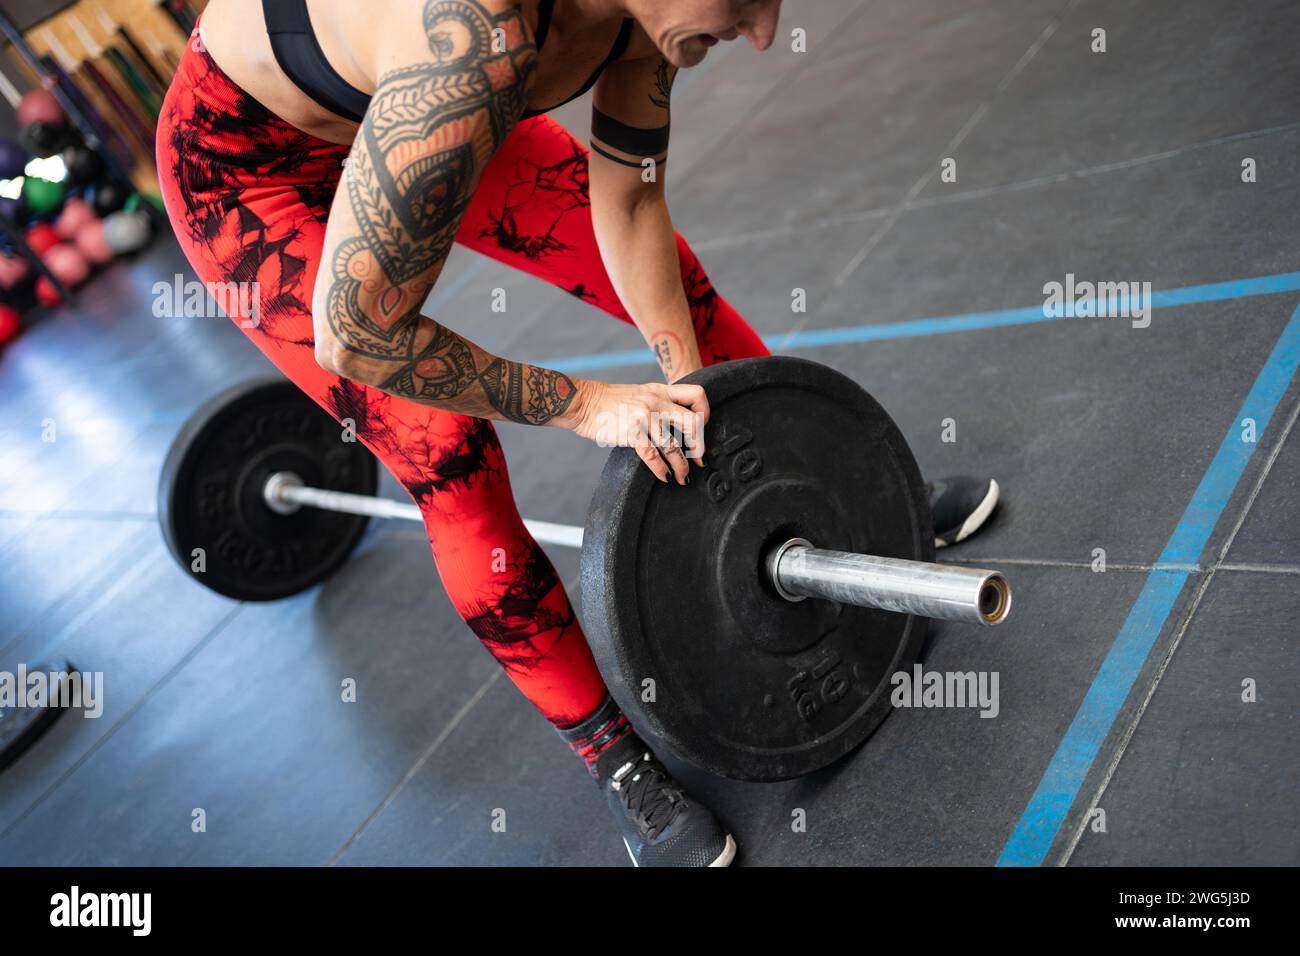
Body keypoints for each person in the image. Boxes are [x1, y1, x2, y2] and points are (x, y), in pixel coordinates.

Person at [157, 0, 998, 867]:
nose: (763, 33)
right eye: (741, 2)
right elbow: (359, 335)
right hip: (247, 171)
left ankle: (869, 500)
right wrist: (592, 406)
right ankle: (614, 759)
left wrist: (693, 391)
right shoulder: (475, 43)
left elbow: (629, 204)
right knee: (447, 450)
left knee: (679, 290)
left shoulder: (652, 20)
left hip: (412, 116)